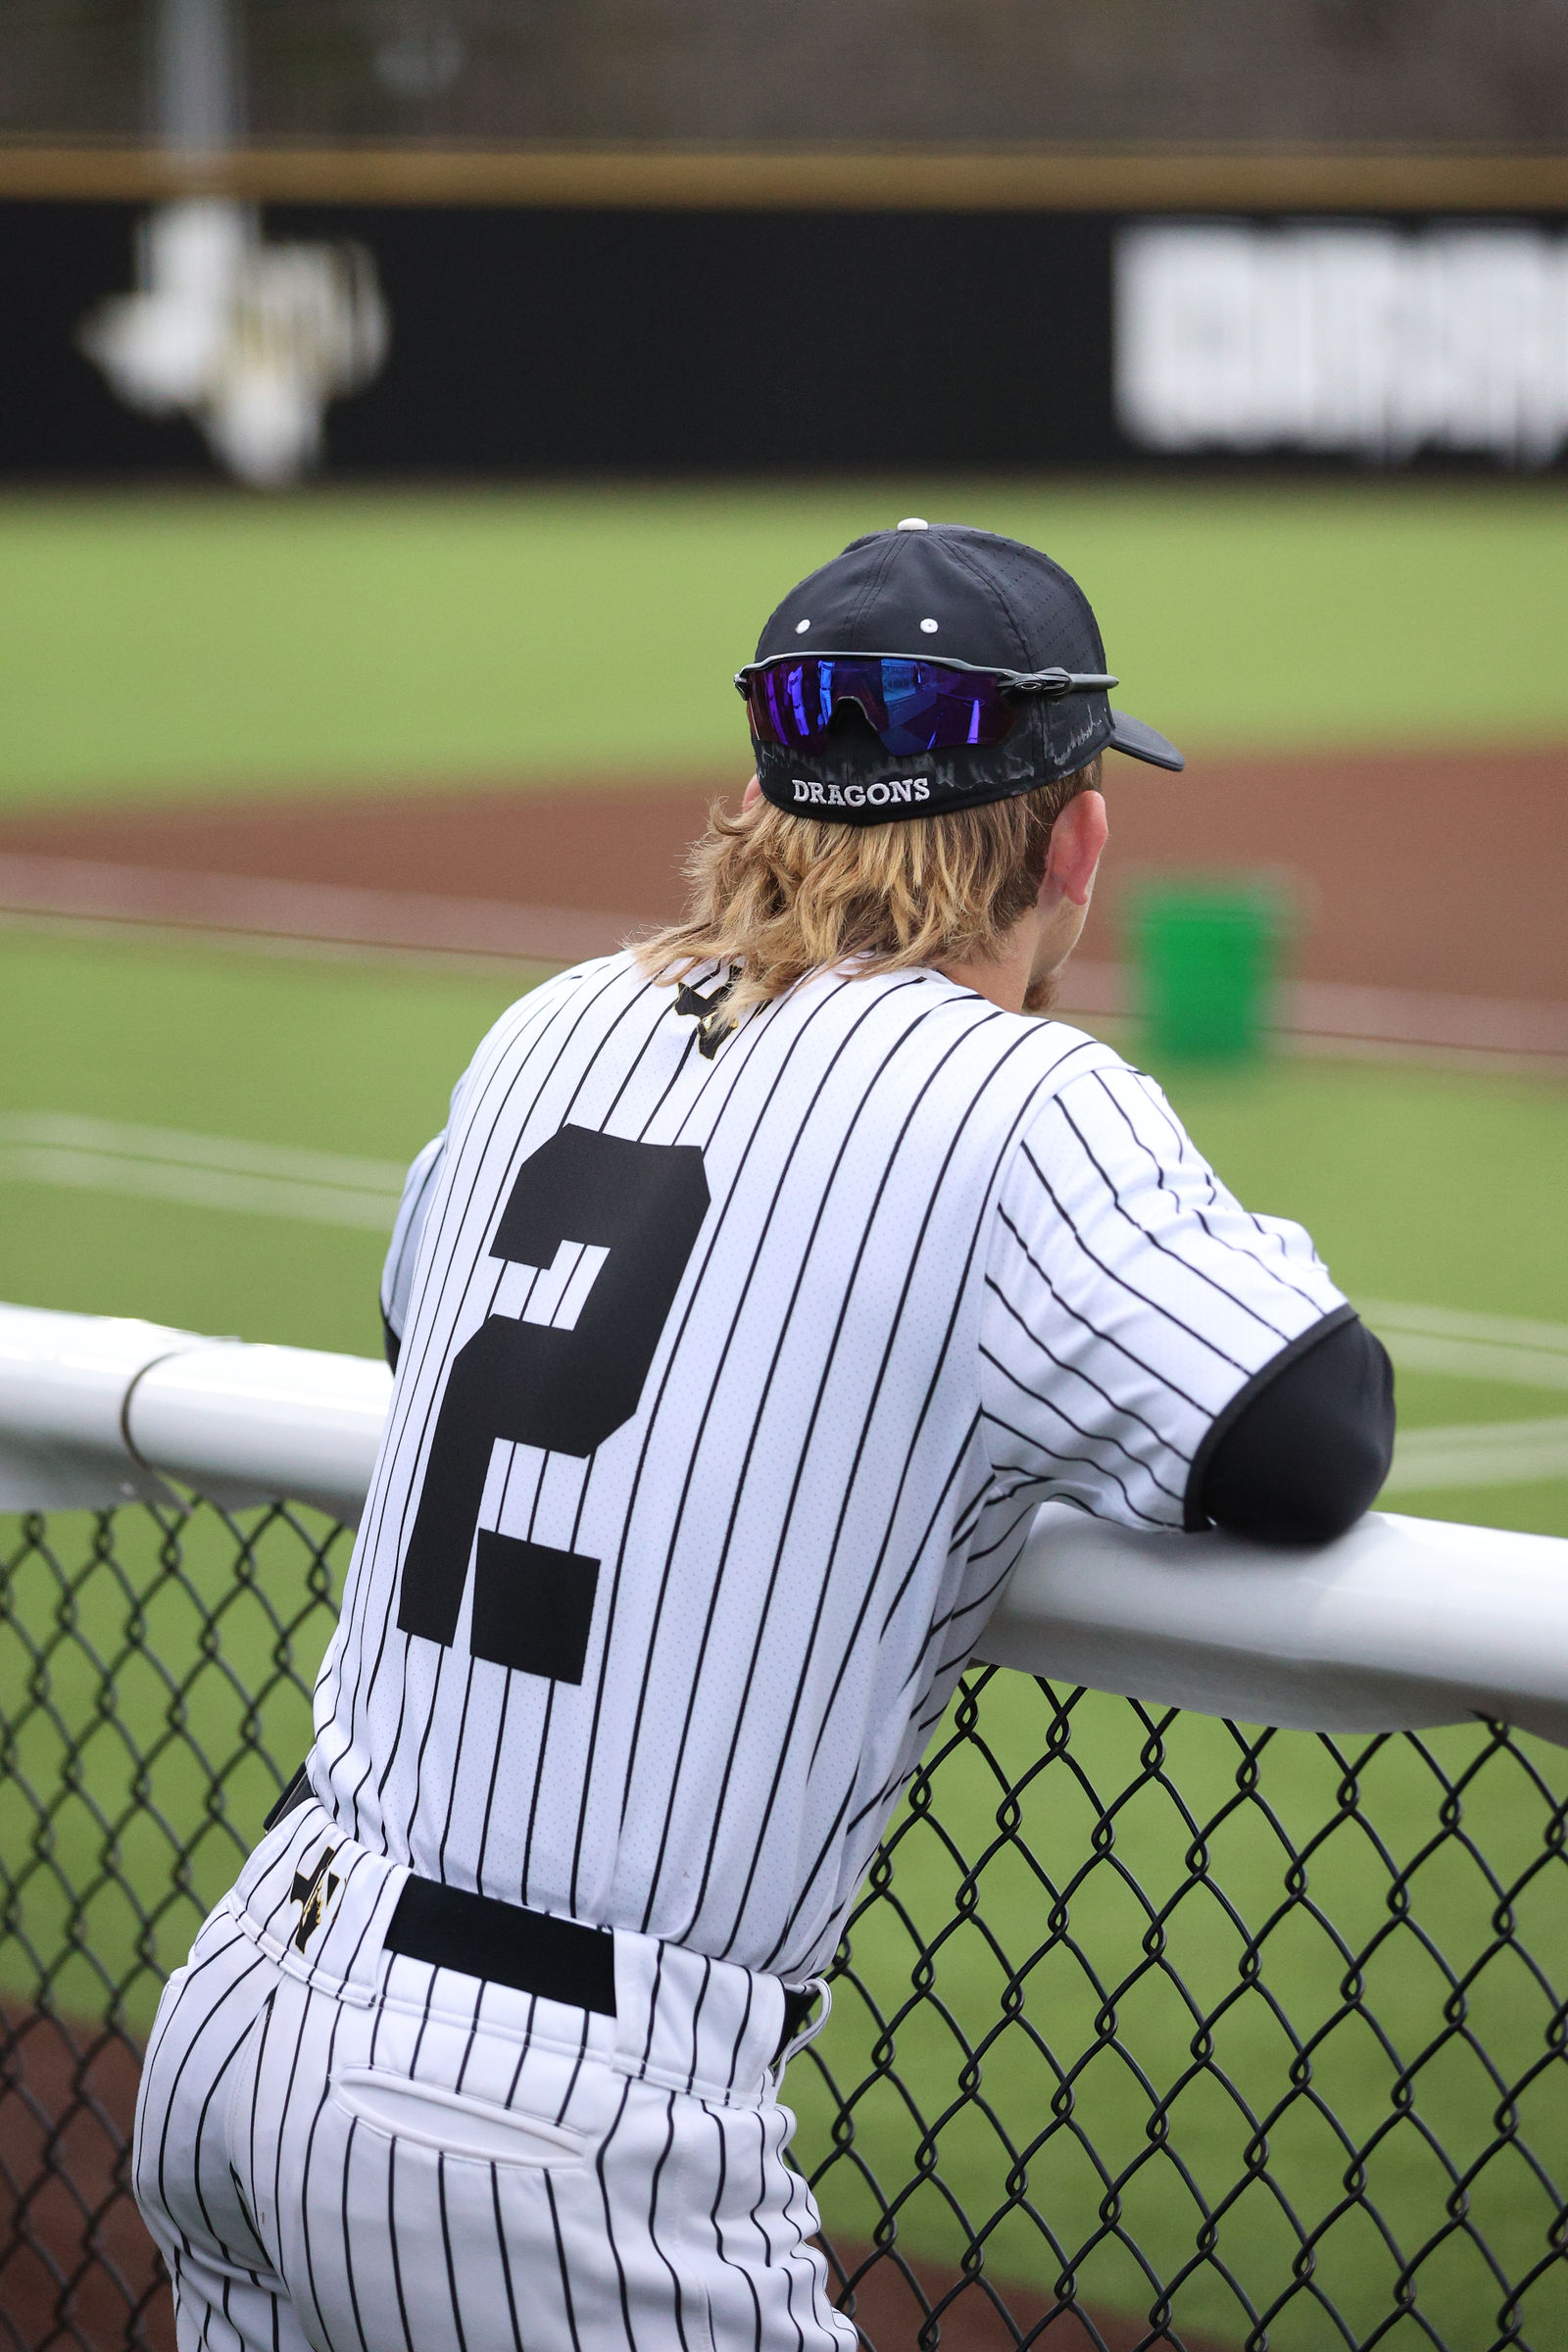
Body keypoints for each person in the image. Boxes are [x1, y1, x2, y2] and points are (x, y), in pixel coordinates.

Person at [133, 521, 1394, 2352]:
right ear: (1077, 839)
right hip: (542, 2127)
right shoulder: (1022, 1100)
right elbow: (1308, 1434)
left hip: (244, 2000)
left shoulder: (552, 1024)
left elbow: (428, 1318)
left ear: (764, 798)